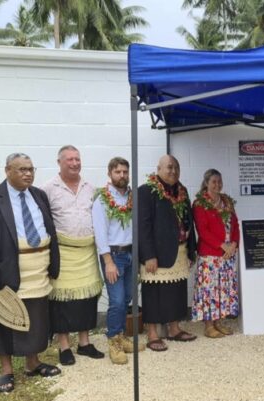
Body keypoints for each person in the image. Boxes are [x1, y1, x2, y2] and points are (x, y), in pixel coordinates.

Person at [0, 153, 62, 394]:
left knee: (36, 318)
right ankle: (6, 370)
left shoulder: (39, 195)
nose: (28, 174)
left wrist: (53, 264)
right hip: (6, 270)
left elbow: (50, 230)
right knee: (4, 318)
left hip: (38, 269)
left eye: (31, 169)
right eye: (22, 169)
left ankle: (33, 362)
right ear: (7, 171)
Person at [42, 145, 104, 365]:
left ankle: (85, 343)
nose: (75, 163)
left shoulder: (91, 188)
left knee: (87, 299)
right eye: (69, 159)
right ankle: (64, 346)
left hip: (87, 252)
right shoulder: (48, 189)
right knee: (63, 301)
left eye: (77, 159)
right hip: (63, 253)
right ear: (59, 162)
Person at [138, 154, 198, 351]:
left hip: (179, 251)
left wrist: (191, 250)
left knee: (177, 291)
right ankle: (153, 334)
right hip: (155, 254)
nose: (173, 171)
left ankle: (174, 329)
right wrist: (148, 255)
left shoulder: (182, 190)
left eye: (176, 168)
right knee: (154, 293)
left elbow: (189, 221)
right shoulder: (146, 191)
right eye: (169, 167)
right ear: (158, 169)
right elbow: (142, 226)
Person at [92, 157, 144, 364]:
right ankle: (113, 341)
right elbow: (100, 232)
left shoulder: (133, 197)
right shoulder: (102, 199)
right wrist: (108, 262)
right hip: (114, 256)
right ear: (109, 174)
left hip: (132, 253)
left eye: (125, 172)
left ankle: (121, 337)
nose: (122, 175)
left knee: (128, 297)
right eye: (118, 172)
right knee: (117, 301)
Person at [192, 169, 240, 338]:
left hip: (227, 255)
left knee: (223, 289)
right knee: (209, 290)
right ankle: (208, 325)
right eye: (213, 181)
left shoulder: (227, 201)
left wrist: (234, 244)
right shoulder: (200, 203)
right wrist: (222, 245)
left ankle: (219, 321)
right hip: (210, 255)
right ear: (206, 183)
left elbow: (235, 225)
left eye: (219, 181)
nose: (217, 185)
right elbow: (203, 231)